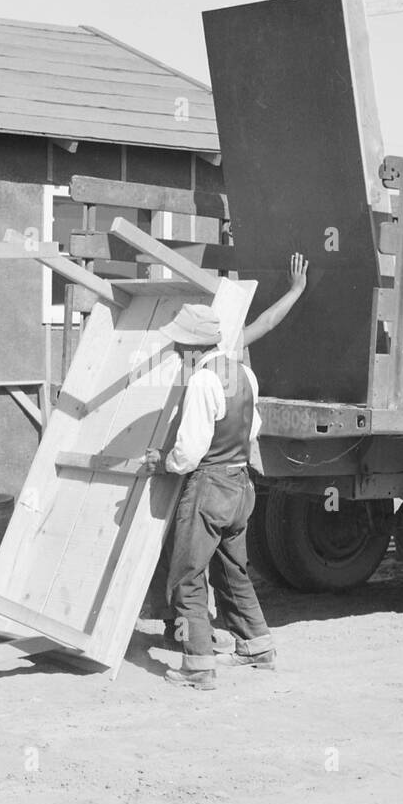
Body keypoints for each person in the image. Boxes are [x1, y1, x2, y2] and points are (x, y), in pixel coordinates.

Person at [143, 254, 307, 690]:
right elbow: (252, 428)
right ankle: (257, 647)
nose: (177, 349)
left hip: (209, 488)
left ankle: (198, 667)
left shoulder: (202, 381)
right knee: (233, 571)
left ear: (194, 346)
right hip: (240, 486)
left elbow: (190, 451)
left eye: (180, 344)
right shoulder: (244, 375)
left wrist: (163, 463)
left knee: (187, 576)